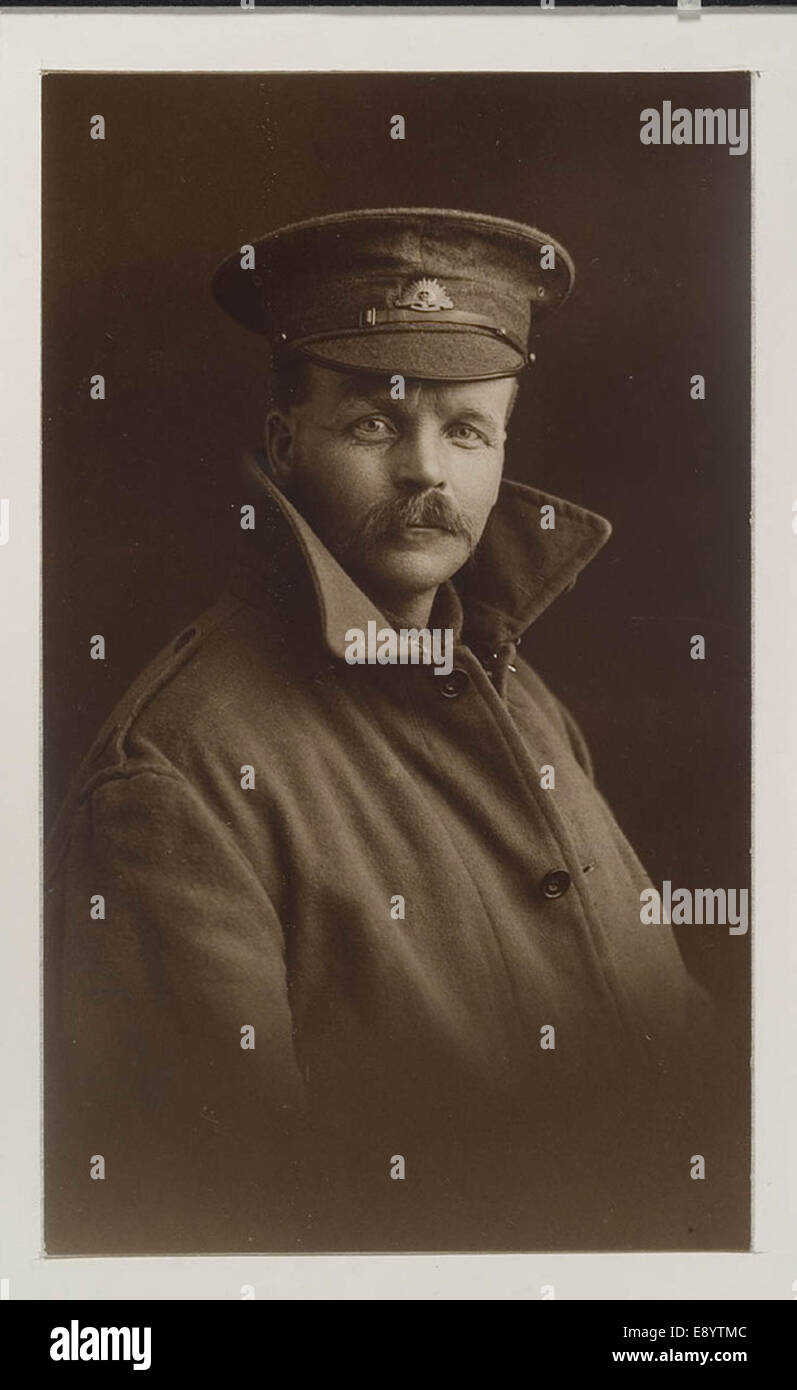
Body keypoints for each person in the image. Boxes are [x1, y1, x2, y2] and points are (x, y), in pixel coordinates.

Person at [44, 208, 736, 1254]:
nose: (427, 470)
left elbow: (674, 1048)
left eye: (465, 429)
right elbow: (217, 1218)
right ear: (285, 445)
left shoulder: (520, 701)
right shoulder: (178, 774)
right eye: (375, 423)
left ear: (501, 448)